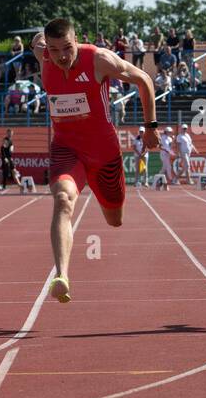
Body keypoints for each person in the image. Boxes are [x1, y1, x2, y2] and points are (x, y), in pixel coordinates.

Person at [31, 18, 159, 303]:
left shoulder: (98, 59)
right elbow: (37, 41)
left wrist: (150, 127)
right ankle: (62, 275)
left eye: (67, 48)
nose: (61, 56)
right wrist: (40, 44)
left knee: (115, 220)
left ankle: (106, 202)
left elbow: (144, 79)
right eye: (54, 50)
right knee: (63, 200)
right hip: (67, 150)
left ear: (77, 41)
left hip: (104, 155)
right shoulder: (44, 55)